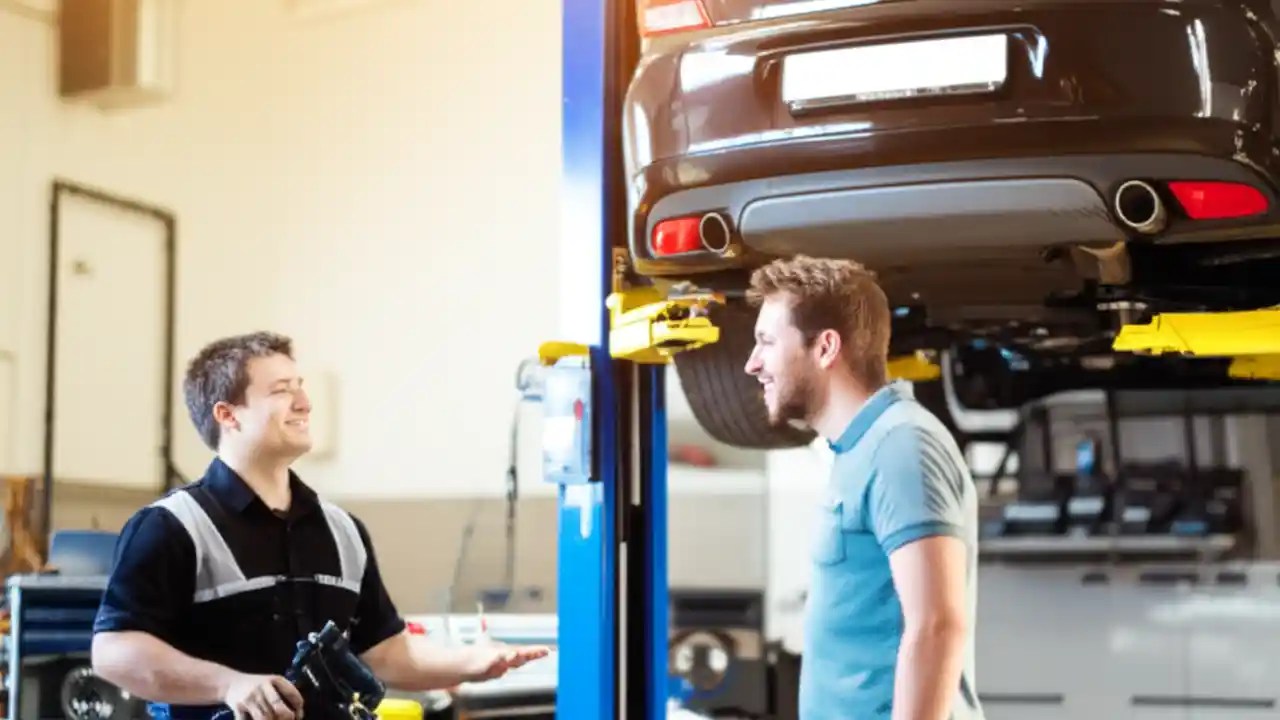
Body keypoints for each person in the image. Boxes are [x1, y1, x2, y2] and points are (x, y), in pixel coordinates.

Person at [91, 331, 550, 720]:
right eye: (281, 390)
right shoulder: (171, 527)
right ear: (227, 415)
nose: (304, 402)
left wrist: (475, 662)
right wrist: (230, 685)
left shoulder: (342, 530)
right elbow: (113, 652)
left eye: (301, 386)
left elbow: (386, 653)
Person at [743, 256, 983, 720]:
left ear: (826, 347)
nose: (753, 364)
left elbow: (937, 626)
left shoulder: (900, 446)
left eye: (767, 342)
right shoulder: (860, 447)